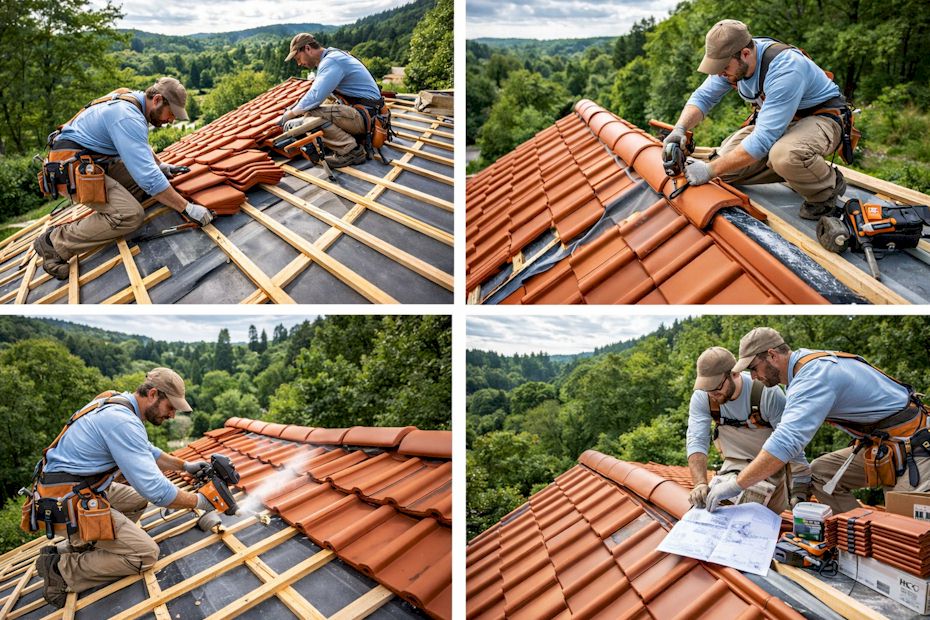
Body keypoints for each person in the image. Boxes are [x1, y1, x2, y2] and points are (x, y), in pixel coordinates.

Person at [35, 368, 216, 608]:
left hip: (70, 490)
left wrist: (186, 466)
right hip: (65, 503)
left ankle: (84, 546)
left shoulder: (116, 401)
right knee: (145, 554)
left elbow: (147, 450)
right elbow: (157, 491)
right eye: (170, 407)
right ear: (153, 394)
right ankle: (60, 570)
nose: (172, 415)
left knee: (136, 500)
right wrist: (201, 501)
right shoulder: (122, 421)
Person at [705, 328, 930, 514]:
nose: (753, 377)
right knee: (821, 473)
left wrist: (734, 486)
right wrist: (802, 480)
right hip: (885, 445)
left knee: (908, 536)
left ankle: (884, 541)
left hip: (916, 446)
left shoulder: (813, 377)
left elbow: (785, 442)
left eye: (753, 368)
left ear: (772, 355)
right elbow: (794, 434)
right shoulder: (800, 367)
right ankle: (861, 533)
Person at [664, 19, 849, 220]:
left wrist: (708, 170)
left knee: (784, 156)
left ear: (745, 54)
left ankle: (826, 188)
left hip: (821, 118)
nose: (720, 73)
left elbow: (761, 141)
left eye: (723, 67)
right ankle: (798, 171)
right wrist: (680, 128)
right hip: (781, 122)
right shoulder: (731, 62)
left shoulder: (786, 68)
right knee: (724, 169)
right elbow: (703, 97)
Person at [33, 77, 213, 281]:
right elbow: (149, 178)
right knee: (131, 215)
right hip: (71, 171)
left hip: (90, 162)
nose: (171, 120)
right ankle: (53, 243)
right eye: (171, 113)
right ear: (157, 100)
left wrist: (160, 165)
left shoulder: (132, 100)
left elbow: (138, 144)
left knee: (149, 183)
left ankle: (114, 205)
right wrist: (187, 208)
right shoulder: (126, 116)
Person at [687, 346, 812, 513]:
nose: (711, 394)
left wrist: (800, 488)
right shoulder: (704, 397)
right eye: (706, 389)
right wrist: (700, 483)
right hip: (730, 471)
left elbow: (792, 444)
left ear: (735, 373)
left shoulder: (768, 394)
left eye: (716, 387)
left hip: (770, 475)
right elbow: (697, 439)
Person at [277, 33, 384, 167]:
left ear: (308, 48)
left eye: (298, 58)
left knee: (312, 115)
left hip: (365, 117)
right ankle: (342, 141)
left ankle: (351, 152)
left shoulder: (331, 61)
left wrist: (290, 114)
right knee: (318, 108)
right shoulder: (333, 55)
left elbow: (315, 96)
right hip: (368, 114)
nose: (299, 64)